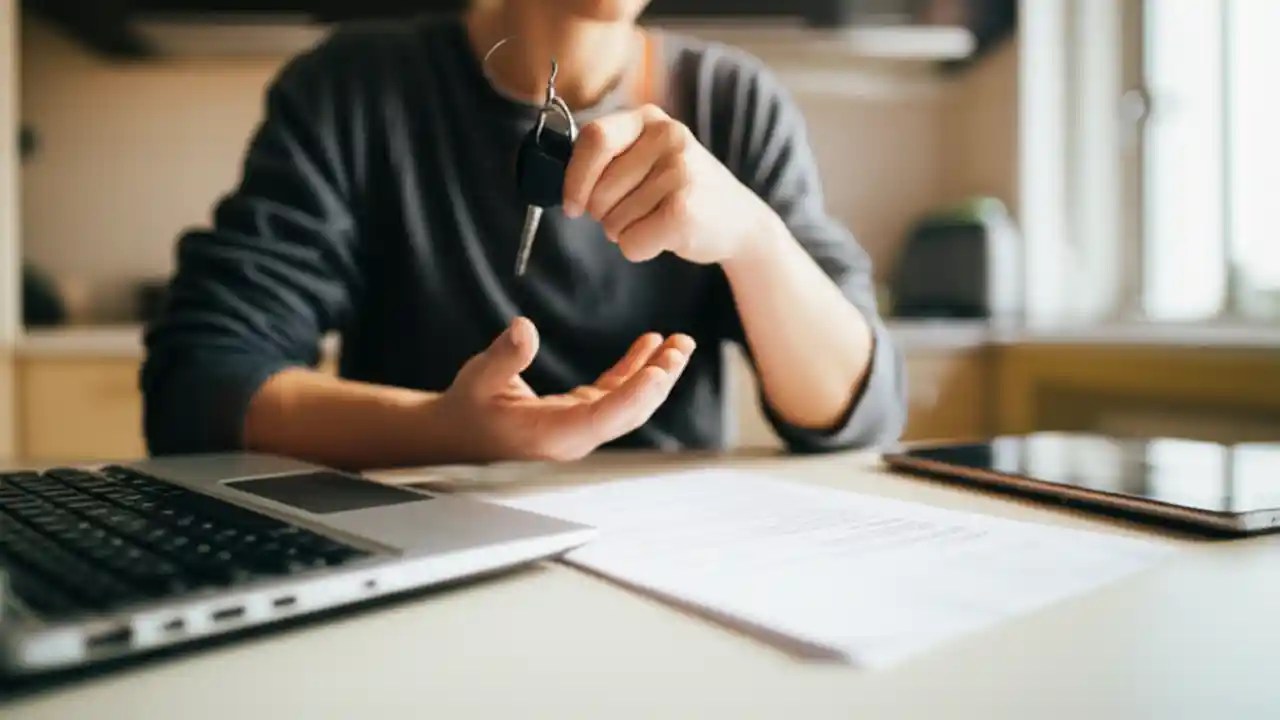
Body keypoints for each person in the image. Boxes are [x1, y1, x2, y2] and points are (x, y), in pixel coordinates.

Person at [141, 0, 907, 470]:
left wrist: (754, 237)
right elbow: (199, 388)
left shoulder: (735, 102)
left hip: (672, 565)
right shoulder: (350, 92)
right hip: (409, 556)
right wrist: (442, 432)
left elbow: (858, 416)